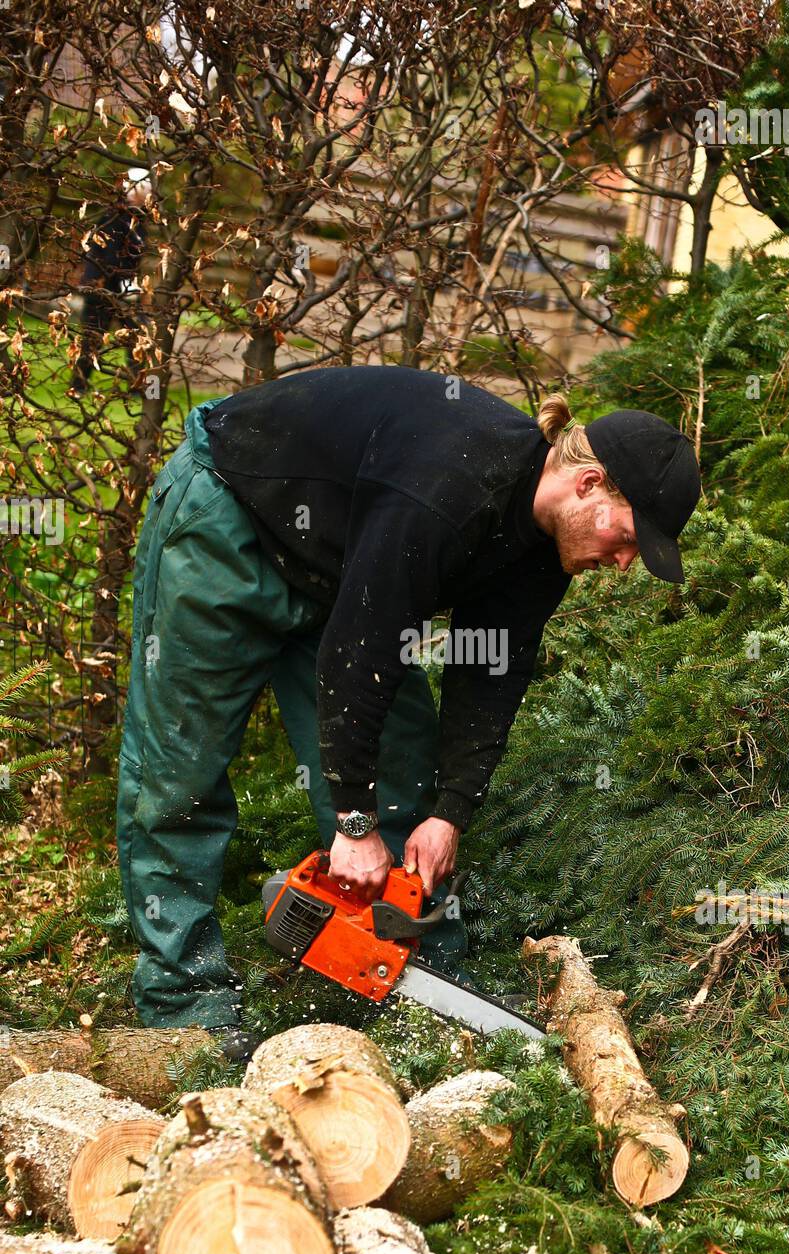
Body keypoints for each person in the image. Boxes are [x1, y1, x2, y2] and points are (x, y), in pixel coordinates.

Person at [116, 365, 701, 1059]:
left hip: (341, 572)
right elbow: (362, 655)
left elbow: (490, 673)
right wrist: (353, 823)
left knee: (402, 761)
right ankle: (187, 1008)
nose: (626, 560)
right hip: (230, 517)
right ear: (588, 484)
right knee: (179, 773)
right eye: (630, 536)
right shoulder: (448, 488)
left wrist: (450, 808)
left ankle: (423, 979)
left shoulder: (547, 547)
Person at [69, 168, 150, 396]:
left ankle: (137, 386)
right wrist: (125, 282)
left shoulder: (138, 218)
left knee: (136, 335)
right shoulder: (115, 217)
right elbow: (110, 254)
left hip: (121, 286)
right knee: (93, 337)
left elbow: (134, 256)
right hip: (101, 286)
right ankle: (78, 385)